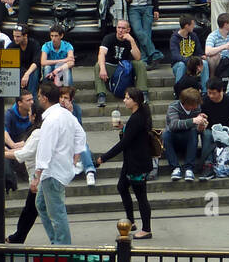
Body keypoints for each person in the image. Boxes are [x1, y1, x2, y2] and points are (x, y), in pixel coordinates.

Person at [31, 81, 86, 245]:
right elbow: (81, 135)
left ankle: (63, 246)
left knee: (57, 212)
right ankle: (56, 241)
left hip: (52, 171)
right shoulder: (66, 115)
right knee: (41, 204)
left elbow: (45, 149)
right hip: (59, 169)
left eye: (39, 95)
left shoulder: (51, 120)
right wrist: (74, 158)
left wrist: (36, 175)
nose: (38, 98)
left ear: (45, 99)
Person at [98, 87, 155, 239]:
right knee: (122, 187)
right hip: (131, 161)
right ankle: (131, 220)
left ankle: (147, 229)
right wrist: (124, 128)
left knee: (141, 196)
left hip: (138, 163)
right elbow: (131, 137)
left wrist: (103, 158)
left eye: (127, 98)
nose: (124, 100)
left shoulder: (137, 118)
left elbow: (123, 144)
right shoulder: (137, 115)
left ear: (135, 101)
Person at [95, 19, 149, 107]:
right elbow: (101, 54)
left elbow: (138, 57)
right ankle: (101, 95)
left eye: (123, 28)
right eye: (119, 27)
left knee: (140, 64)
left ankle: (143, 92)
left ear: (128, 30)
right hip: (111, 67)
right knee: (98, 65)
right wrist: (103, 68)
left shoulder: (130, 40)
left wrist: (132, 41)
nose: (120, 30)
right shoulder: (108, 38)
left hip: (125, 68)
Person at [162, 87, 205, 181]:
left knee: (193, 132)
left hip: (188, 138)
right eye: (194, 104)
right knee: (165, 135)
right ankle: (175, 167)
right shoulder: (173, 107)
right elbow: (174, 125)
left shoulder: (197, 108)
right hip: (174, 136)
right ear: (186, 103)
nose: (196, 106)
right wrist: (193, 120)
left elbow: (195, 128)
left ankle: (189, 168)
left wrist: (200, 126)